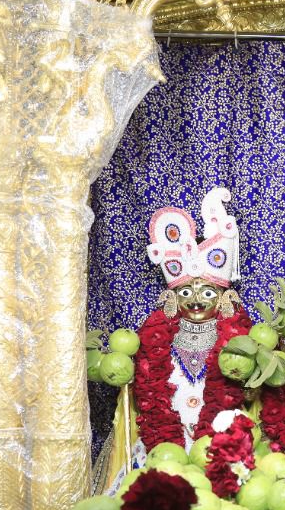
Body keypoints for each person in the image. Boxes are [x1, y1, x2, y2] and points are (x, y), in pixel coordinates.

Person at [94, 187, 252, 492]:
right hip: (161, 453)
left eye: (207, 292)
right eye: (185, 292)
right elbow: (145, 391)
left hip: (221, 452)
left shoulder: (239, 344)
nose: (196, 301)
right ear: (171, 296)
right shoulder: (153, 339)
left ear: (223, 297)